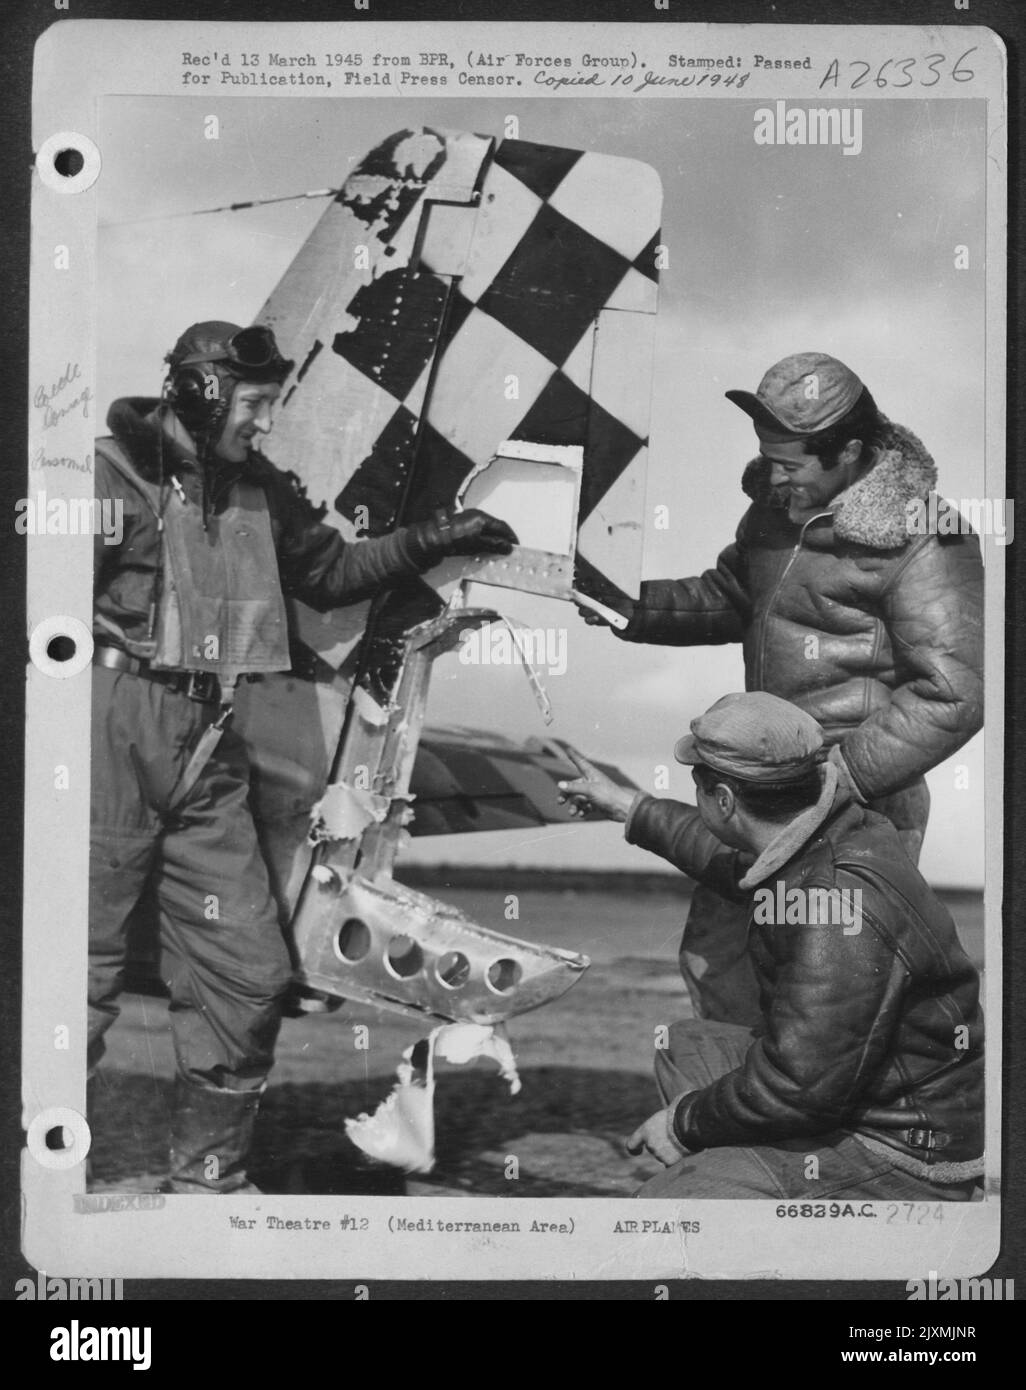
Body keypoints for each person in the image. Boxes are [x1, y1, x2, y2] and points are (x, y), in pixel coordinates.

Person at [89, 320, 517, 1192]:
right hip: (103, 726)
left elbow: (329, 574)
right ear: (203, 393)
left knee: (248, 969)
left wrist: (437, 537)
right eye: (253, 403)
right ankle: (35, 1178)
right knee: (78, 970)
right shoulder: (100, 474)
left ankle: (209, 1178)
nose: (265, 422)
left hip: (208, 742)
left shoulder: (259, 492)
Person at [578, 353, 984, 1028]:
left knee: (827, 997)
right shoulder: (774, 514)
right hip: (757, 786)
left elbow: (952, 691)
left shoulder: (925, 537)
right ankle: (737, 1123)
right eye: (767, 458)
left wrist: (839, 778)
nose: (773, 476)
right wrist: (623, 605)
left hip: (859, 803)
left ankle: (821, 1126)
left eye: (791, 463)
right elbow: (731, 597)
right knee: (719, 963)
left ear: (849, 451)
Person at [558, 692, 984, 1201]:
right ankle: (748, 1177)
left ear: (723, 801)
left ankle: (750, 1200)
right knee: (686, 1044)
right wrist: (631, 808)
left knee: (666, 1209)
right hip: (850, 1094)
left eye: (698, 788)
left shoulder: (832, 904)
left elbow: (799, 1087)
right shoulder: (833, 828)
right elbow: (725, 859)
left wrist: (683, 1124)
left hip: (900, 1148)